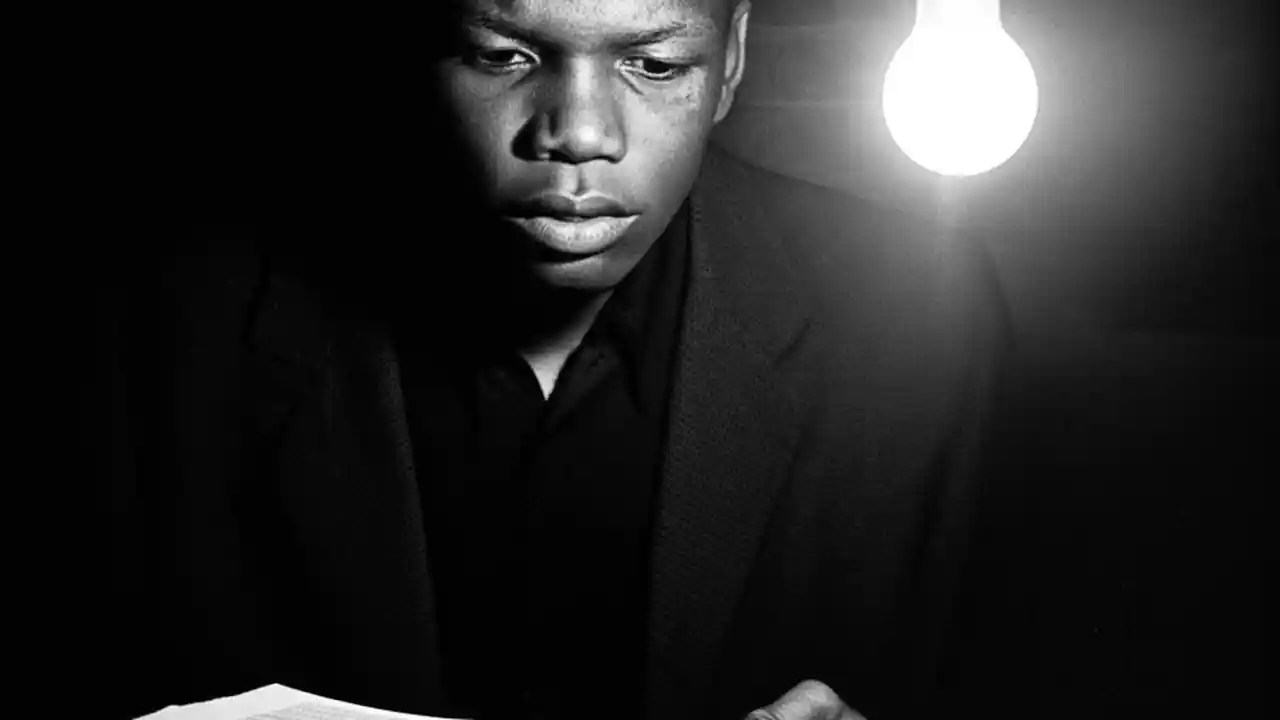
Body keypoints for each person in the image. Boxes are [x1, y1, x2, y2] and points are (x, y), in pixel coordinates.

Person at [106, 1, 1011, 718]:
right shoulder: (188, 317)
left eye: (654, 65)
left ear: (731, 60)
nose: (578, 134)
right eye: (505, 55)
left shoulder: (921, 319)